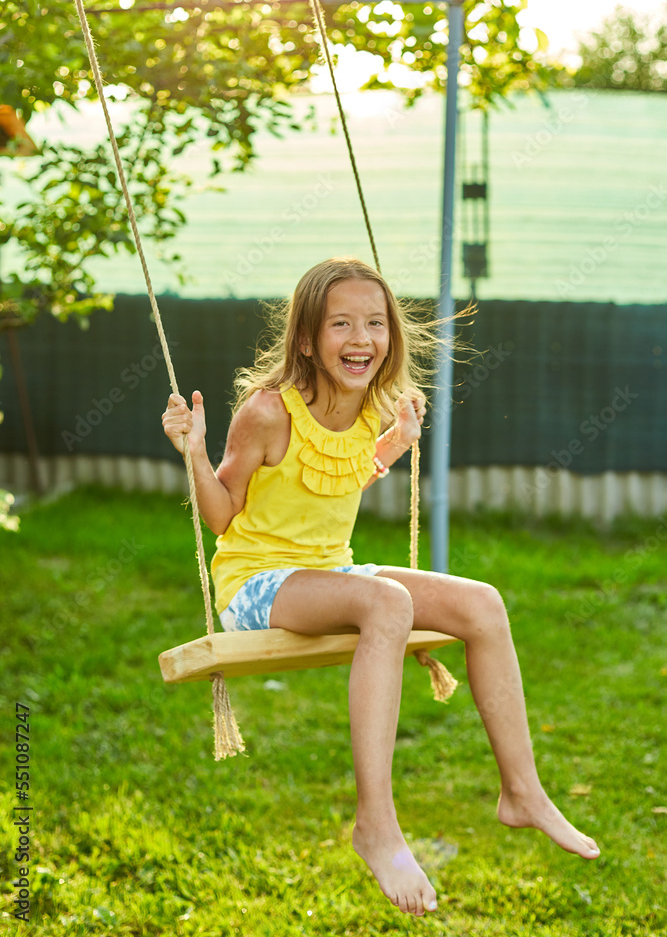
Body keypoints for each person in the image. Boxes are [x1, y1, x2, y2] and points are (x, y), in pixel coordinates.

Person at [162, 256, 600, 918]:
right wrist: (193, 453)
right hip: (256, 584)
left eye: (374, 322)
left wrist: (397, 440)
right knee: (386, 601)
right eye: (340, 323)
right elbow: (224, 515)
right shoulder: (266, 412)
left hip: (328, 572)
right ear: (306, 338)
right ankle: (376, 824)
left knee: (481, 602)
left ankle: (522, 792)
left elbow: (341, 477)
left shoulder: (373, 406)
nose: (360, 337)